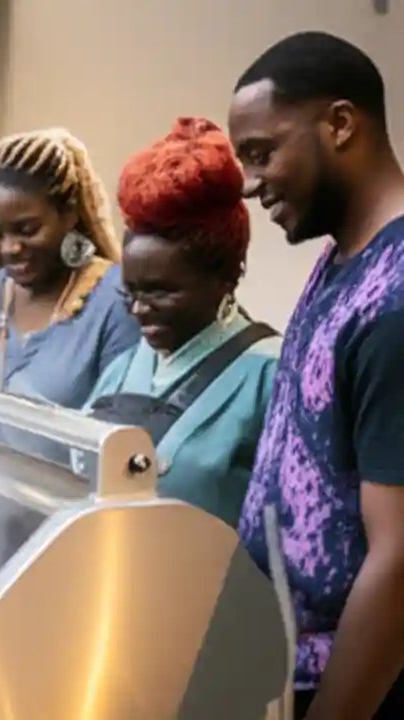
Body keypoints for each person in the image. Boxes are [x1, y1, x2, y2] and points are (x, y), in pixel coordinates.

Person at [229, 32, 404, 719]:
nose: (248, 183)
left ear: (339, 124)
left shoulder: (395, 302)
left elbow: (399, 559)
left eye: (262, 152)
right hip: (280, 676)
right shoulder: (342, 258)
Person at [83, 117, 280, 526]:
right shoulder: (127, 367)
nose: (138, 310)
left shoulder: (270, 377)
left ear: (226, 277)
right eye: (131, 292)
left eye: (160, 292)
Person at [0, 129, 139, 451]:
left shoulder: (115, 302)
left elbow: (118, 439)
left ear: (69, 214)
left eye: (27, 230)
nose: (10, 248)